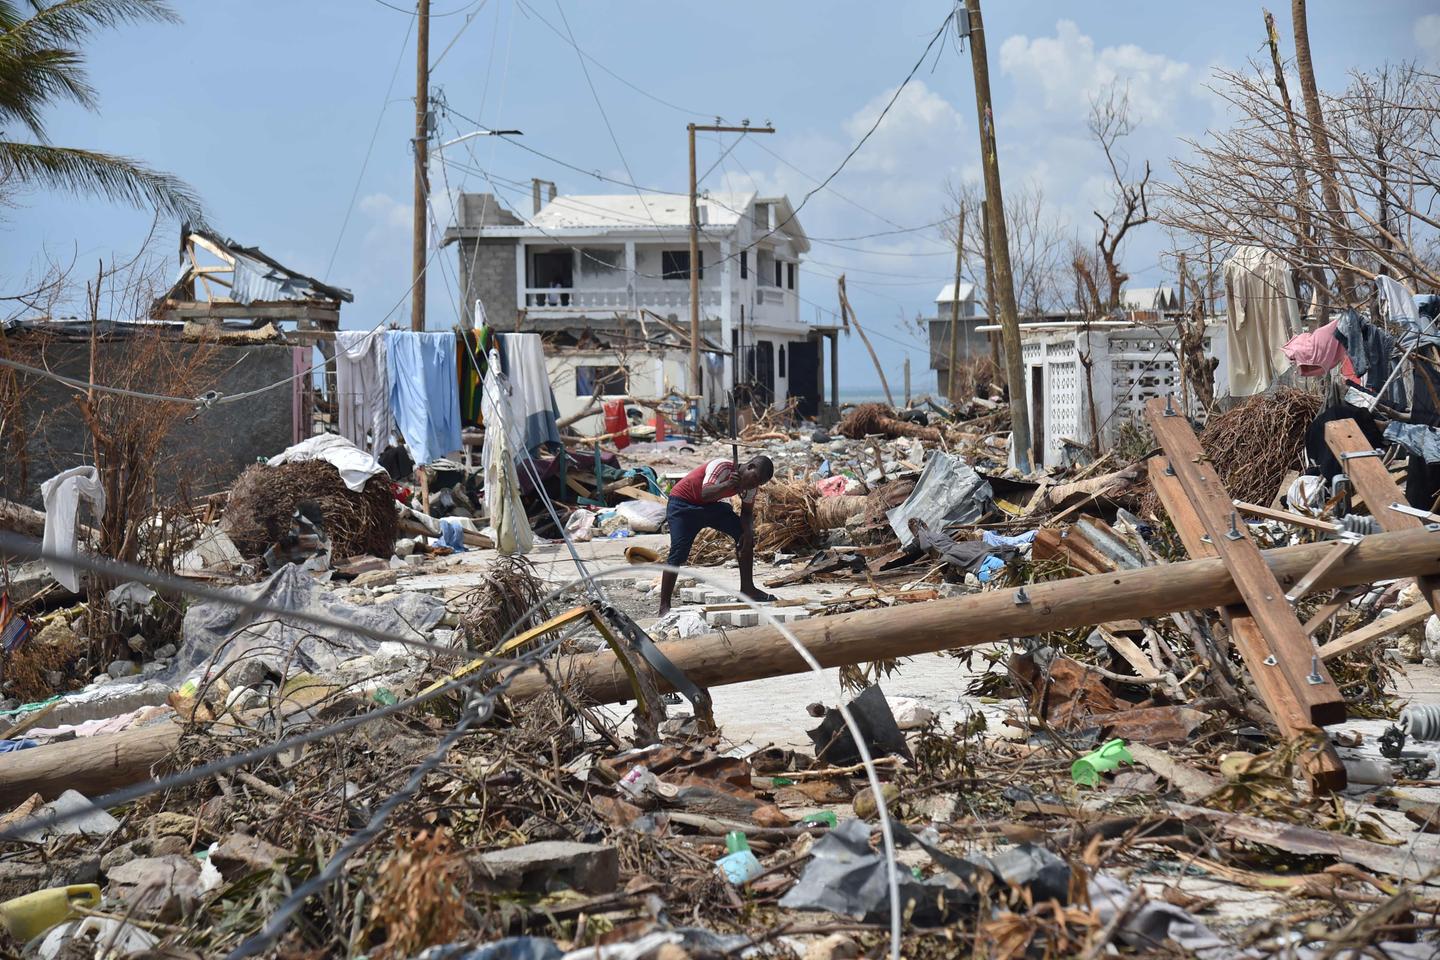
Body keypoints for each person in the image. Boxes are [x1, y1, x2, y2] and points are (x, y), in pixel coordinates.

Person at [658, 455, 776, 615]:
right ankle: (664, 606)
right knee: (678, 553)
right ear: (750, 467)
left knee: (743, 536)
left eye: (758, 483)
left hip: (710, 507)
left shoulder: (751, 486)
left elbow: (747, 513)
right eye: (754, 478)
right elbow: (705, 493)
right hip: (682, 505)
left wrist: (748, 534)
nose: (753, 484)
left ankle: (747, 589)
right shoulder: (721, 467)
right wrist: (728, 484)